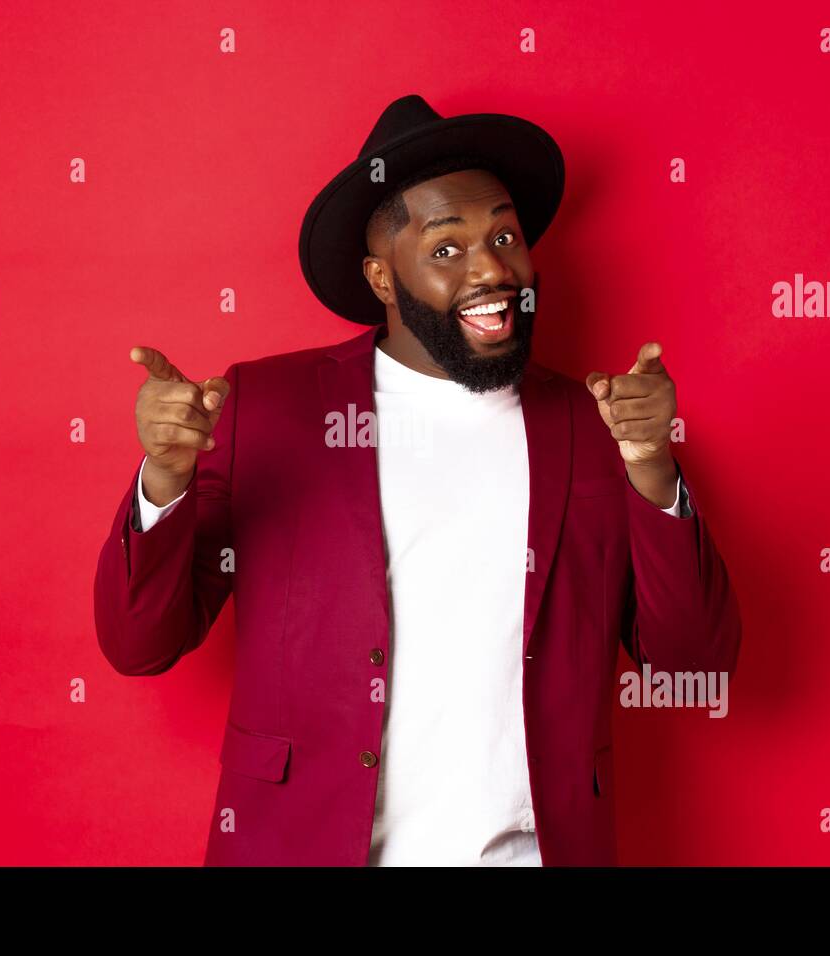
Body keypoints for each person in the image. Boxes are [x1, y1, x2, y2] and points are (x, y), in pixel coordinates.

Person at [93, 93, 741, 866]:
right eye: (447, 248)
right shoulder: (265, 409)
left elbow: (696, 663)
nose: (493, 268)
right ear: (381, 277)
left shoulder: (598, 424)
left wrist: (652, 466)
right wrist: (165, 476)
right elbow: (139, 644)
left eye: (505, 236)